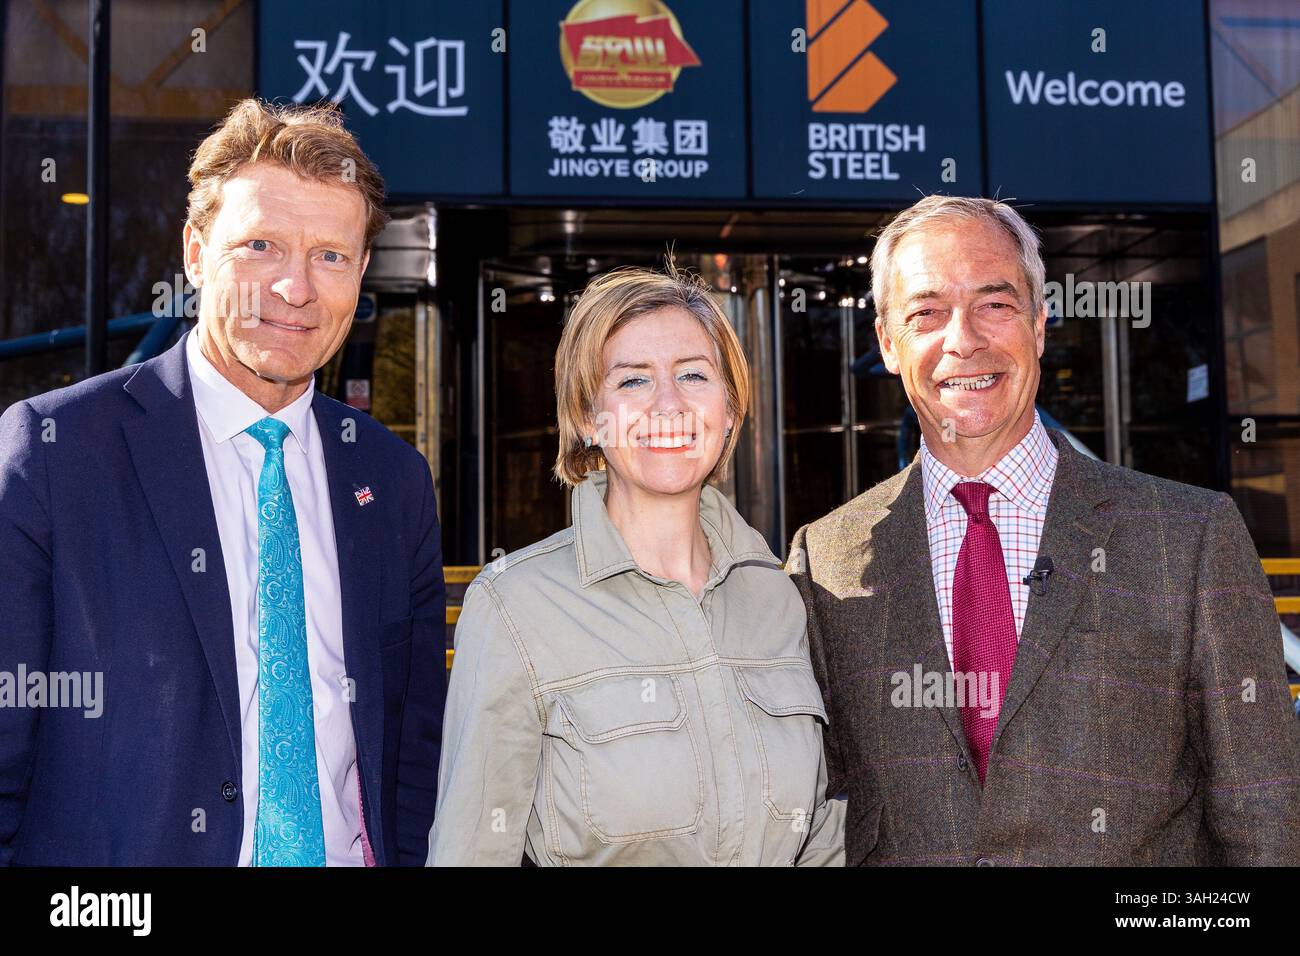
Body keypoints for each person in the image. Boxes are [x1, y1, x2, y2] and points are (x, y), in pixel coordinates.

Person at [789, 194, 1300, 866]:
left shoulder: (1191, 539)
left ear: (1039, 322)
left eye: (994, 304)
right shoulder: (822, 560)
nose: (963, 339)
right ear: (887, 342)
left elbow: (1264, 816)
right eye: (927, 312)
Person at [0, 99, 445, 866]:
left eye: (330, 256)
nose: (296, 288)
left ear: (362, 272)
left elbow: (411, 753)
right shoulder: (55, 453)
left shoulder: (392, 479)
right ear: (197, 254)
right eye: (262, 246)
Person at [428, 265, 843, 866]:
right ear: (589, 418)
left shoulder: (781, 598)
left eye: (694, 375)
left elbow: (823, 838)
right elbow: (472, 850)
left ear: (729, 409)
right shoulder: (517, 606)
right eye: (632, 382)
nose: (668, 404)